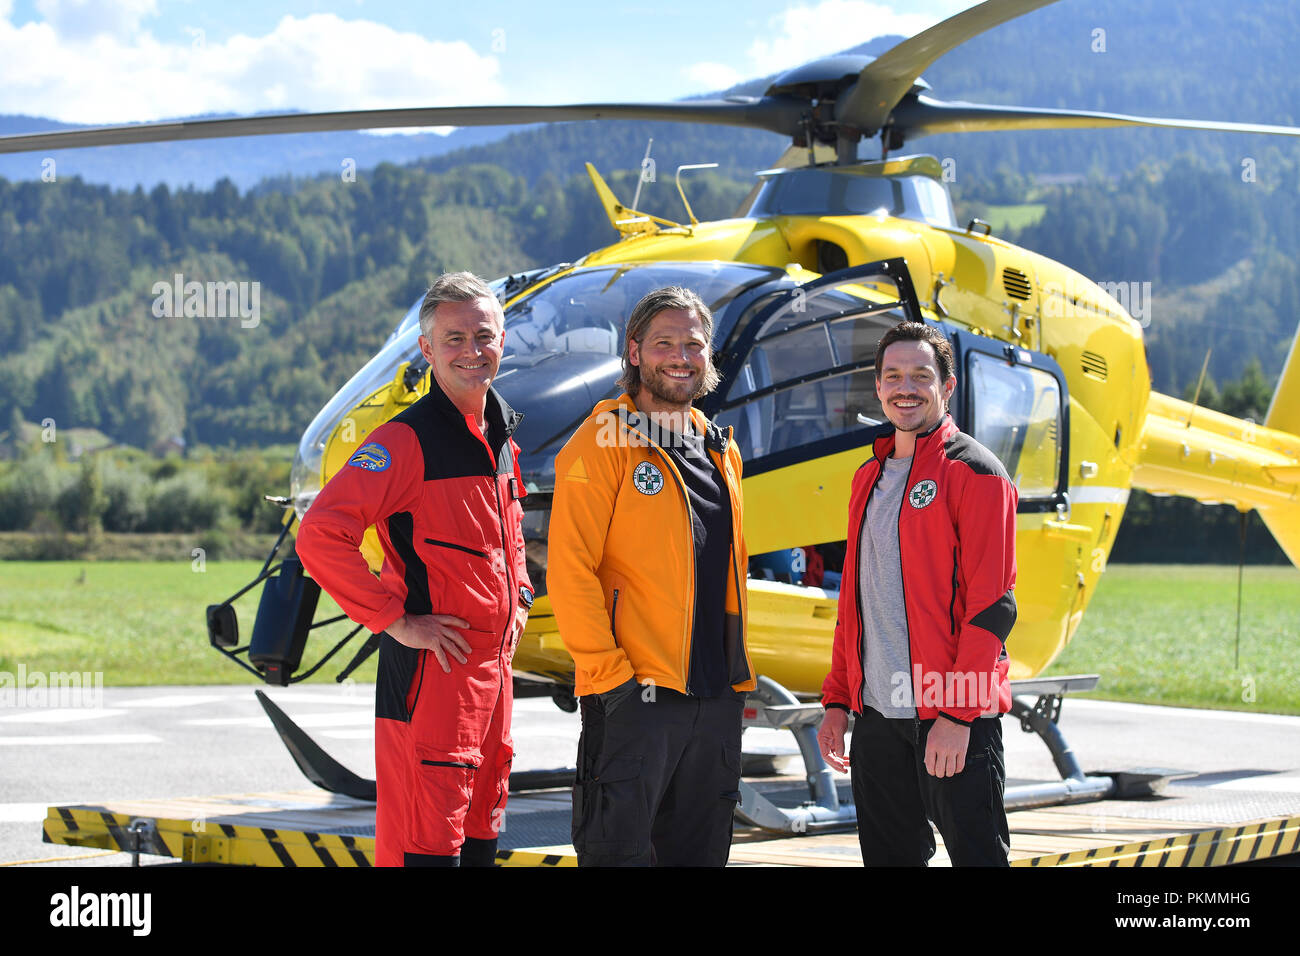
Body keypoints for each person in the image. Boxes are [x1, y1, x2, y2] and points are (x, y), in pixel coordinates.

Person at [296, 271, 532, 867]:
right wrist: (394, 620)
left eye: (484, 335)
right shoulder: (404, 442)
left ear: (503, 341)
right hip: (434, 680)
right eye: (454, 339)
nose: (472, 351)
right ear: (426, 350)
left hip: (494, 679)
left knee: (481, 845)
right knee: (423, 852)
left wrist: (521, 597)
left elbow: (506, 541)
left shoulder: (501, 433)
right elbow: (321, 535)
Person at [548, 285, 755, 867]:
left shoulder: (721, 449)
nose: (680, 356)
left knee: (701, 855)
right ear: (634, 351)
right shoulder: (601, 441)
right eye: (664, 342)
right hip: (634, 695)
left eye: (694, 343)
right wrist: (609, 678)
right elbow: (571, 568)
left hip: (714, 698)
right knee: (619, 855)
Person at [817, 321, 1017, 867]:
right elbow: (855, 602)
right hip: (879, 718)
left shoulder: (976, 472)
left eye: (921, 375)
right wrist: (837, 700)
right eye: (893, 376)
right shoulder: (868, 476)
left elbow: (994, 606)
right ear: (878, 388)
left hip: (952, 715)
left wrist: (956, 717)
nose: (906, 387)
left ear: (946, 386)